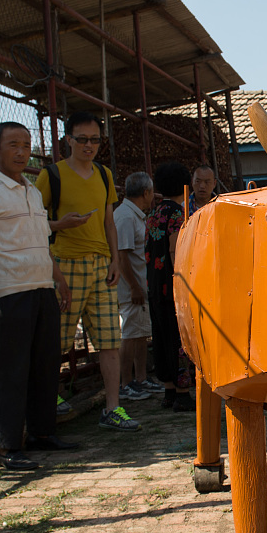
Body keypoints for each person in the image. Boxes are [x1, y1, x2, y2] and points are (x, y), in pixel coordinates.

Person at [0, 122, 78, 471]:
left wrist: (58, 279)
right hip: (10, 291)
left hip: (42, 286)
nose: (20, 151)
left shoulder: (32, 190)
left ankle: (42, 434)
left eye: (26, 145)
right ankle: (5, 446)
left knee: (46, 365)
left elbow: (40, 239)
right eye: (12, 144)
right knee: (13, 369)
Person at [35, 111, 139, 433]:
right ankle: (45, 400)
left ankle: (112, 408)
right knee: (58, 338)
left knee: (110, 339)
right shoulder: (50, 176)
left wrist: (114, 261)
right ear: (68, 139)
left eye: (95, 140)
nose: (89, 146)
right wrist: (61, 226)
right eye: (82, 139)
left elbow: (109, 220)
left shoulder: (104, 175)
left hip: (101, 267)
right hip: (65, 264)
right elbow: (33, 223)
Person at [147, 162, 194, 411]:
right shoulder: (177, 213)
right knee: (179, 338)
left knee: (162, 337)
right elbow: (176, 249)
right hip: (172, 286)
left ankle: (169, 391)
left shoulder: (153, 214)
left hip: (154, 286)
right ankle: (183, 393)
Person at [114, 171, 164, 403]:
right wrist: (133, 287)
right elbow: (121, 256)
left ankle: (141, 378)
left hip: (141, 287)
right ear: (146, 192)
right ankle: (125, 383)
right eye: (151, 192)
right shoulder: (124, 217)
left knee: (141, 333)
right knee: (130, 335)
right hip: (131, 288)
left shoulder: (137, 215)